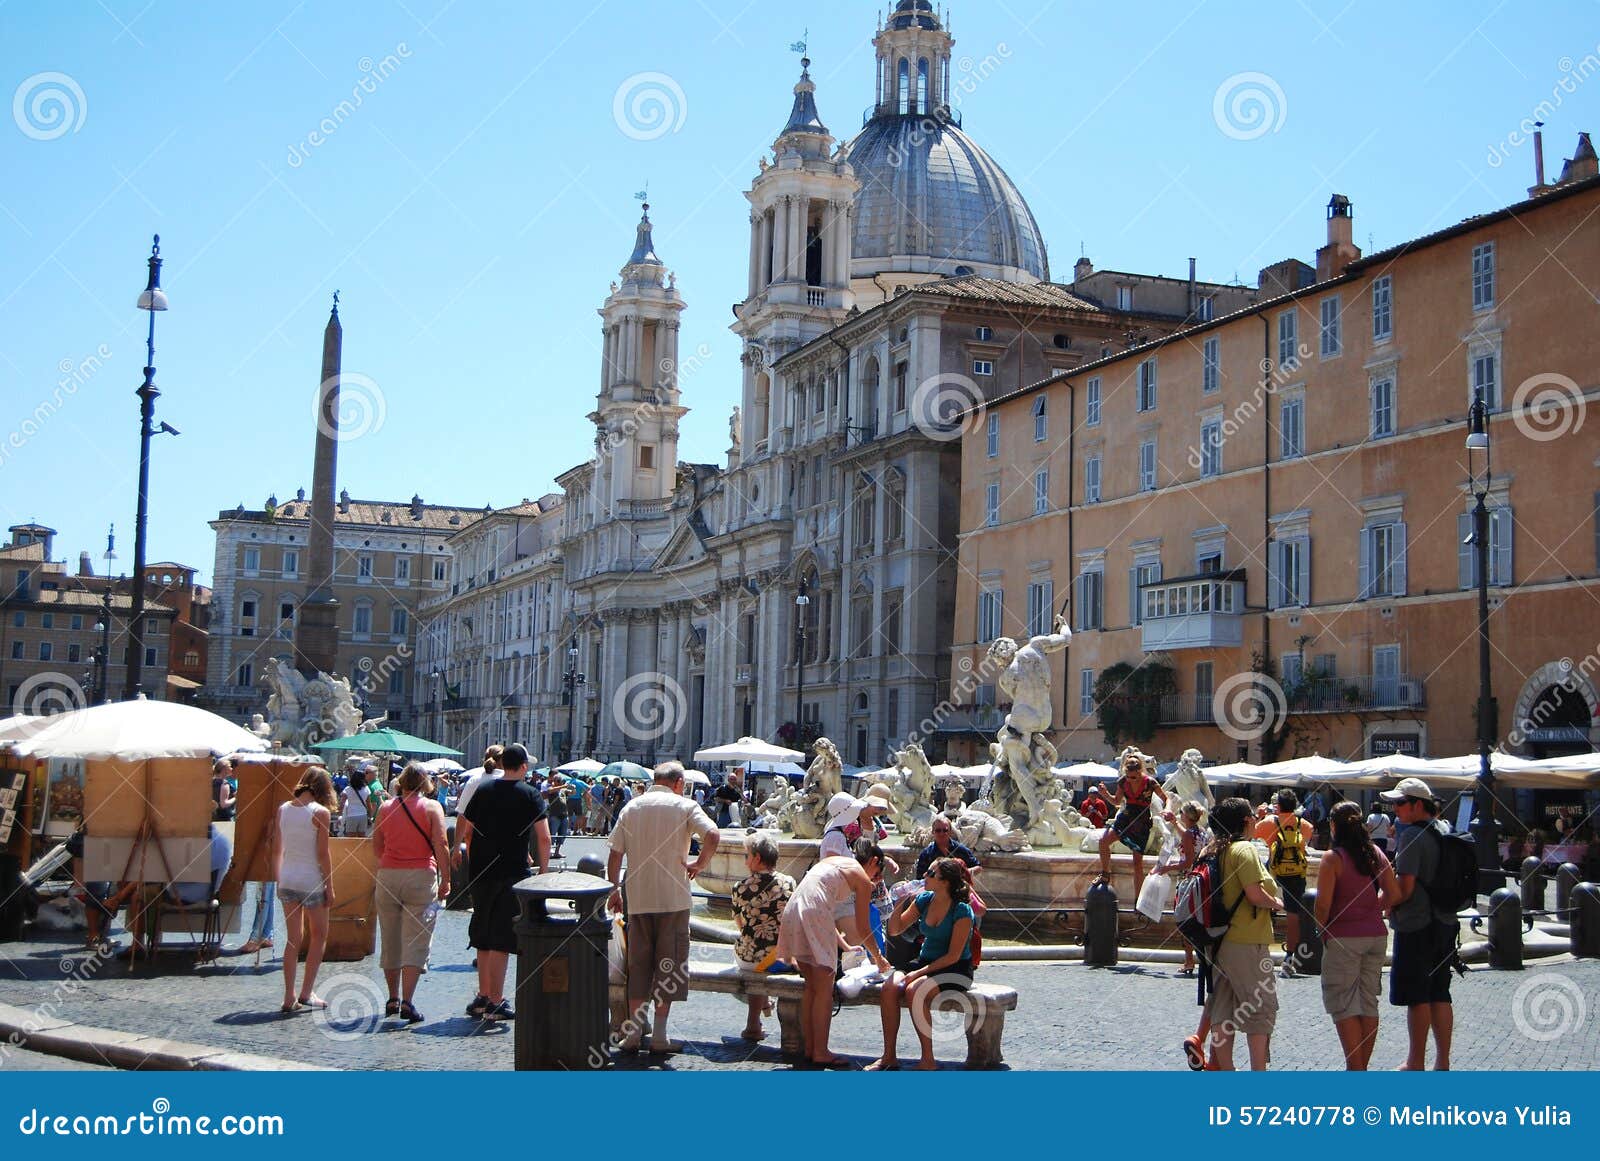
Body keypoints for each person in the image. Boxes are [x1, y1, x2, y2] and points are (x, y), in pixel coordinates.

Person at [606, 761, 720, 1053]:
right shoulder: (685, 806)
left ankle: (632, 1034)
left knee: (639, 966)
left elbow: (615, 854)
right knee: (668, 965)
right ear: (679, 782)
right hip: (674, 899)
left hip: (639, 898)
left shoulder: (632, 807)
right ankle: (659, 1035)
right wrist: (700, 863)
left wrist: (615, 890)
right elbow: (714, 834)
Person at [776, 838, 890, 1066]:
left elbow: (820, 907)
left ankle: (810, 1048)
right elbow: (863, 926)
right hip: (813, 911)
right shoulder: (860, 878)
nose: (875, 880)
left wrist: (846, 947)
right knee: (825, 988)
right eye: (877, 874)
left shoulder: (836, 861)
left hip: (795, 907)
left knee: (812, 985)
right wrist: (878, 957)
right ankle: (820, 1051)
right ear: (874, 861)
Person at [462, 743, 549, 1021]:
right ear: (523, 766)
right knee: (501, 936)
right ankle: (496, 1002)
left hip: (481, 870)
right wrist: (544, 871)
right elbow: (545, 838)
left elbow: (467, 830)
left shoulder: (484, 790)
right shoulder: (531, 794)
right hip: (513, 871)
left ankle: (484, 995)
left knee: (483, 932)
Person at [867, 857, 976, 1071]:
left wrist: (916, 975)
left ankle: (928, 1059)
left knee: (915, 990)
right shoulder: (925, 899)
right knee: (889, 987)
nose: (924, 876)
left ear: (945, 882)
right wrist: (899, 901)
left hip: (955, 968)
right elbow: (895, 930)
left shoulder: (961, 910)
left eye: (931, 873)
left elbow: (953, 956)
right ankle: (889, 1056)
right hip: (926, 961)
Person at [1198, 796, 1282, 1071]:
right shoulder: (1244, 849)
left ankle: (1226, 1071)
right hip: (1247, 940)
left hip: (1217, 941)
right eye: (1253, 817)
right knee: (1260, 1008)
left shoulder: (1210, 850)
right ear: (1246, 821)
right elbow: (1255, 895)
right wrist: (1277, 903)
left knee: (1223, 1008)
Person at [1381, 777, 1459, 1070]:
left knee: (1417, 995)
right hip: (1445, 922)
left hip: (1416, 925)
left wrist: (1380, 903)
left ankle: (1415, 1061)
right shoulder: (1445, 829)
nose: (1395, 808)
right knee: (1440, 991)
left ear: (1417, 805)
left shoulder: (1411, 835)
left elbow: (1406, 888)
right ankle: (1443, 1061)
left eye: (1400, 803)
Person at [1315, 800, 1399, 1070]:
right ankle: (1361, 1068)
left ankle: (1356, 1068)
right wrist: (1374, 907)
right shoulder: (1374, 852)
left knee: (1343, 1002)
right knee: (1367, 1000)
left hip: (1343, 937)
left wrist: (1321, 928)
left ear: (1333, 825)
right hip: (1375, 934)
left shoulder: (1333, 858)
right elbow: (1394, 893)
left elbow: (1323, 905)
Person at [371, 762, 450, 1024]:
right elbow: (441, 844)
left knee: (390, 939)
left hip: (388, 876)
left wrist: (393, 861)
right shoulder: (431, 807)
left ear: (401, 782)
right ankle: (407, 1001)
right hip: (421, 876)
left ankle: (392, 998)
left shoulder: (384, 808)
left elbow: (377, 847)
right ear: (424, 784)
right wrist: (445, 879)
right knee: (416, 940)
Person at [274, 768, 337, 1013]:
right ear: (323, 789)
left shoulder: (283, 809)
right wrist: (329, 885)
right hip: (310, 880)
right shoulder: (320, 813)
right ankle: (306, 992)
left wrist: (279, 878)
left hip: (288, 878)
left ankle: (288, 996)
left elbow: (278, 849)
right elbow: (323, 854)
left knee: (293, 939)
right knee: (319, 935)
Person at [730, 831, 795, 1041]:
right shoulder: (789, 883)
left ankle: (753, 1024)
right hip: (781, 956)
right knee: (763, 956)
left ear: (757, 858)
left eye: (746, 855)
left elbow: (741, 926)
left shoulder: (739, 888)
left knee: (752, 952)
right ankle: (763, 1011)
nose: (745, 860)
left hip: (753, 958)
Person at [1255, 789, 1316, 977]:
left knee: (1260, 908)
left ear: (1278, 806)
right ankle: (1290, 957)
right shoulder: (1305, 825)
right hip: (1295, 873)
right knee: (1293, 916)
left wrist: (1261, 816)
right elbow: (1305, 840)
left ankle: (1259, 951)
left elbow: (1253, 834)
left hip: (1272, 870)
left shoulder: (1267, 823)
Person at [1096, 749, 1168, 897]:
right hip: (1126, 817)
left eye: (1134, 777)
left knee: (1137, 863)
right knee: (1103, 841)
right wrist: (1105, 795)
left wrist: (1168, 809)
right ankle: (1105, 873)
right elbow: (1116, 802)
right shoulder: (1123, 782)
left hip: (1141, 822)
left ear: (1140, 771)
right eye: (1128, 776)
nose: (1130, 779)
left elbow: (1166, 798)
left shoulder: (1150, 782)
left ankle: (1138, 899)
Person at [913, 816, 981, 880]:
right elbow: (920, 878)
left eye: (945, 830)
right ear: (933, 832)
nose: (942, 833)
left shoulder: (961, 850)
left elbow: (978, 867)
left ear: (950, 832)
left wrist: (963, 874)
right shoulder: (926, 854)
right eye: (938, 830)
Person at [339, 771, 370, 837]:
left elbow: (342, 803)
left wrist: (340, 815)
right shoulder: (366, 789)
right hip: (363, 815)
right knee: (362, 837)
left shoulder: (347, 789)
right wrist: (370, 815)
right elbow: (369, 804)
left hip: (351, 815)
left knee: (350, 839)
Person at [212, 758, 237, 823]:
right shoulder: (224, 783)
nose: (231, 769)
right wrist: (236, 797)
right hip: (224, 818)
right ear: (224, 769)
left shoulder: (211, 781)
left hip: (213, 817)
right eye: (229, 767)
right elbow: (224, 804)